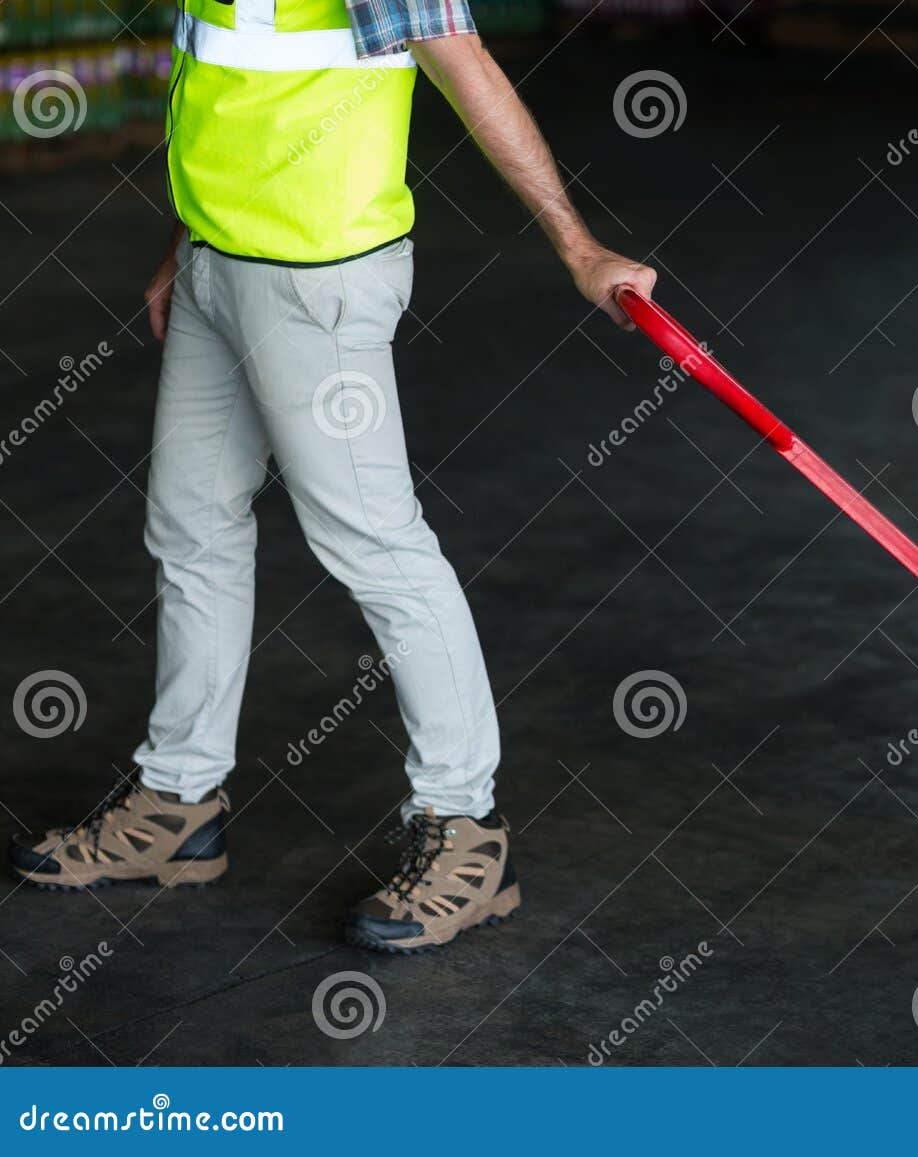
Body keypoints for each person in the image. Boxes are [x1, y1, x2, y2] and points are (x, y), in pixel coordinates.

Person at [7, 0, 656, 954]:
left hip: (316, 281)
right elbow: (232, 88)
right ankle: (178, 803)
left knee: (375, 544)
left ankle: (468, 832)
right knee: (191, 526)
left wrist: (578, 245)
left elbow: (460, 58)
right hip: (217, 264)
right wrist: (193, 243)